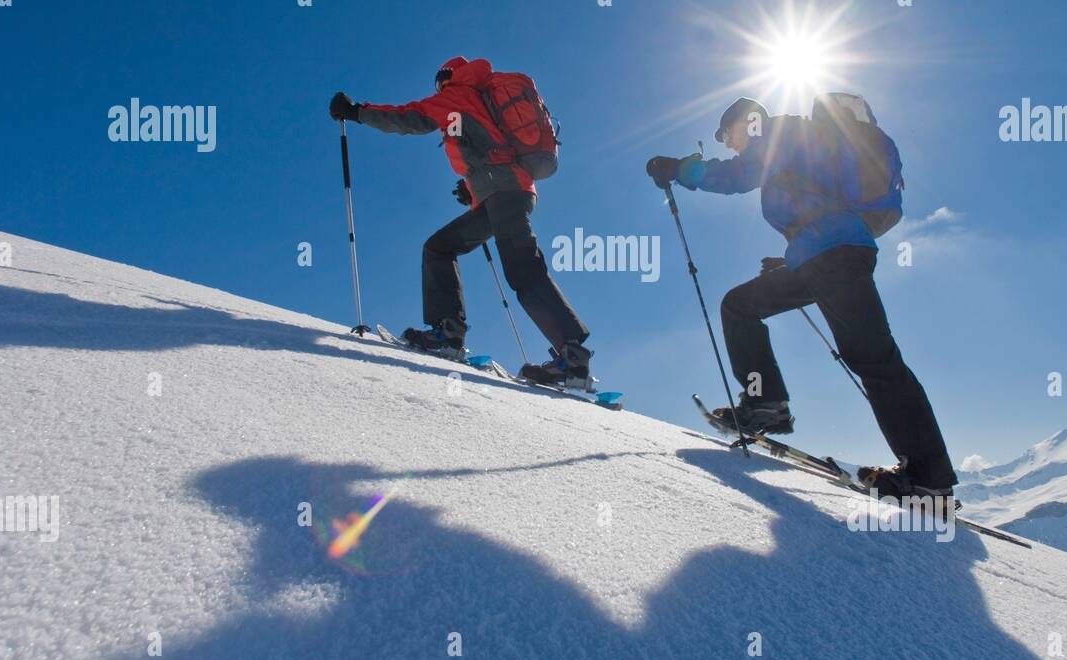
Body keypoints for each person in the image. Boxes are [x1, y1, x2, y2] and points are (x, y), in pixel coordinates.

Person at [646, 94, 957, 501]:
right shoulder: (798, 138)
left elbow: (737, 175)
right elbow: (813, 207)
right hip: (822, 256)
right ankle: (766, 404)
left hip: (833, 257)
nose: (728, 142)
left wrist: (682, 169)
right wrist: (792, 259)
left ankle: (929, 480)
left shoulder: (776, 131)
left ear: (747, 121)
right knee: (740, 305)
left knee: (876, 360)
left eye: (727, 133)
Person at [329, 56, 591, 386]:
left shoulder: (458, 95)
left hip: (505, 193)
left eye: (440, 80)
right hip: (502, 192)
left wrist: (357, 112)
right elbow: (486, 147)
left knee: (522, 267)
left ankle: (573, 360)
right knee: (439, 247)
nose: (437, 87)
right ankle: (448, 333)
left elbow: (410, 117)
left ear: (449, 77)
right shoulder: (476, 99)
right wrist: (473, 190)